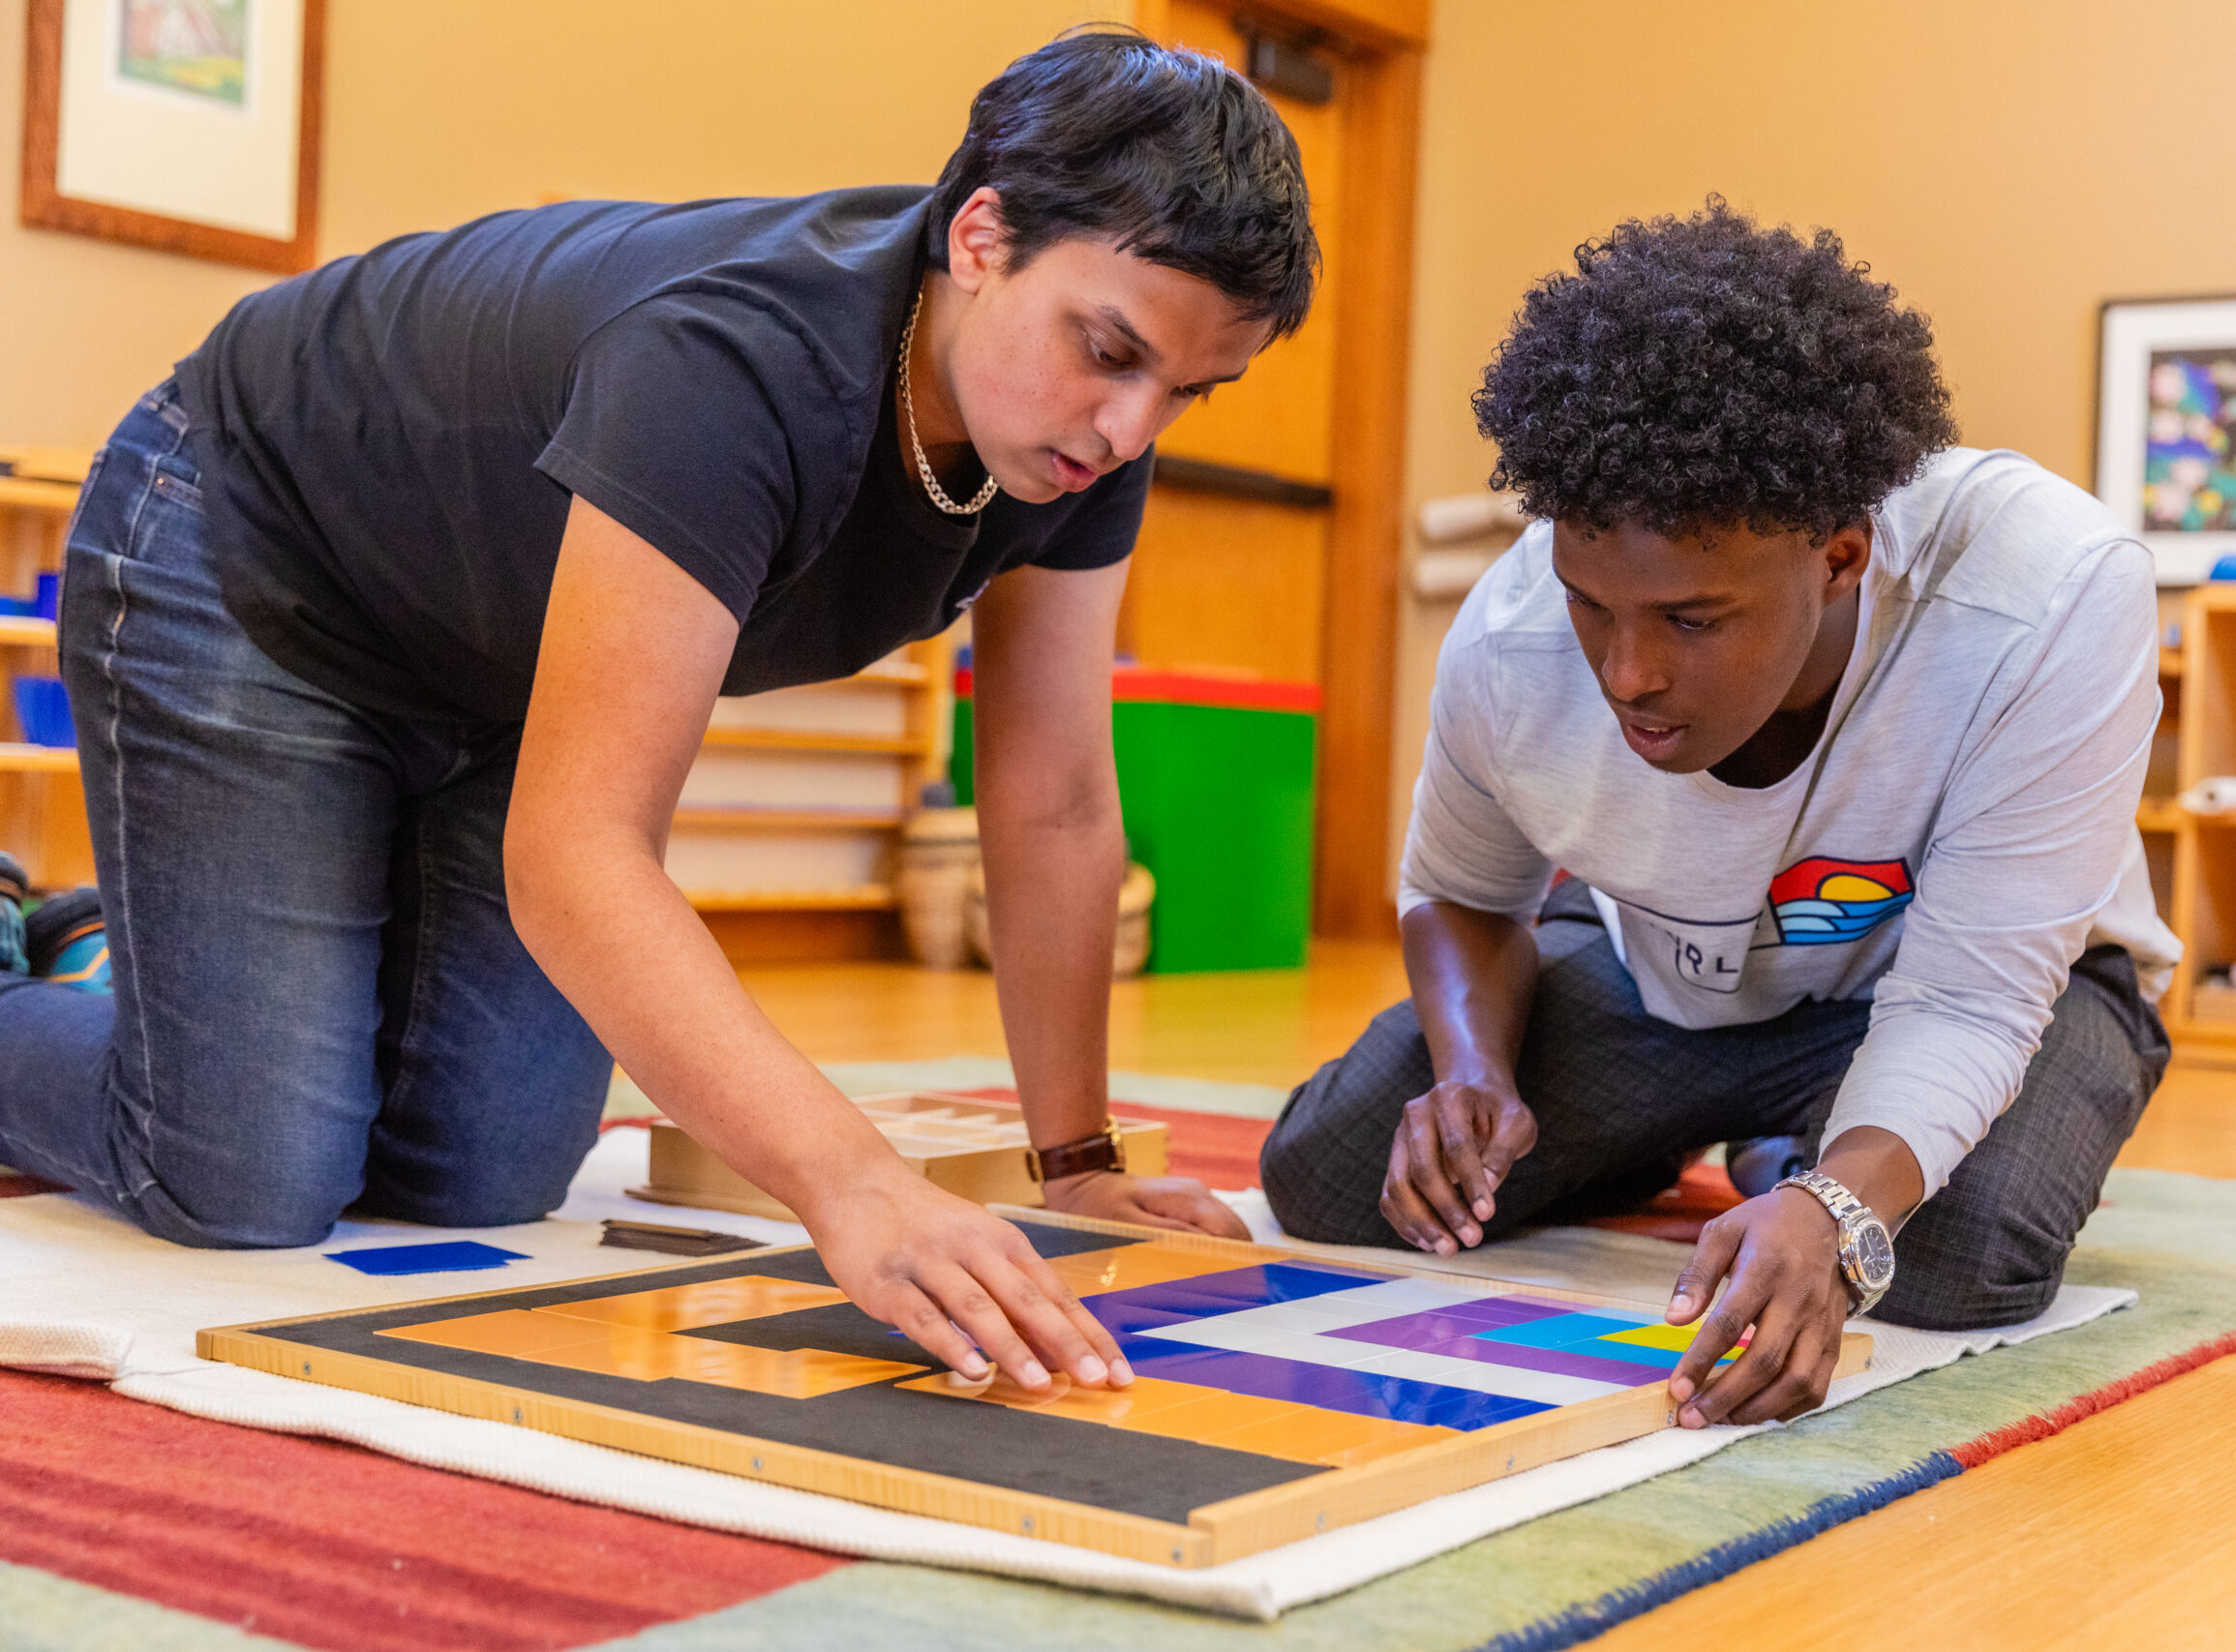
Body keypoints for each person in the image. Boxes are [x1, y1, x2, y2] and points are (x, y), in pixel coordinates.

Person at [0, 26, 1300, 1397]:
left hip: (492, 656)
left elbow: (1053, 800)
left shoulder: (1084, 448)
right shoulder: (735, 365)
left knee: (479, 1175)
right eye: (1108, 350)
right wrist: (852, 1183)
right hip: (246, 547)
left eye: (1188, 392)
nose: (1128, 428)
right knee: (242, 1176)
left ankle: (144, 944)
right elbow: (579, 853)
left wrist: (1079, 1162)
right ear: (979, 237)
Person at [1261, 200, 2178, 1431]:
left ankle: (1794, 1159)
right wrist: (1474, 1070)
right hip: (1672, 978)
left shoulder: (2048, 591)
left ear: (1841, 557)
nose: (1627, 672)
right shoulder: (1510, 637)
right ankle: (1711, 1137)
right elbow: (1465, 893)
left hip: (1990, 989)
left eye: (1691, 620)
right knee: (1335, 1176)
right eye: (1594, 604)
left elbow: (1971, 1000)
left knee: (1948, 1258)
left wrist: (1840, 1206)